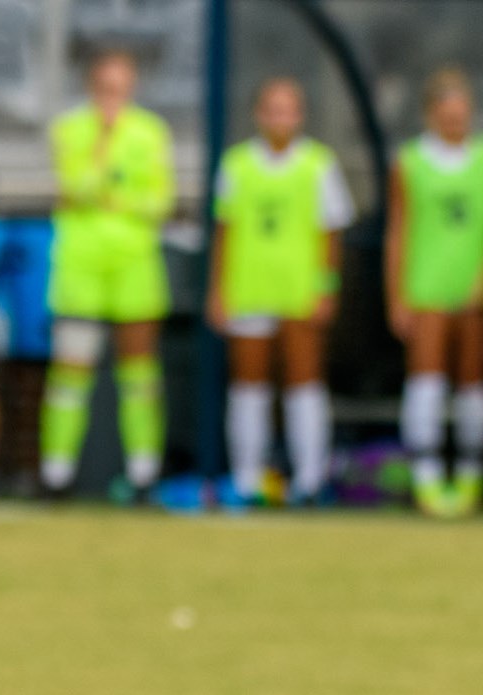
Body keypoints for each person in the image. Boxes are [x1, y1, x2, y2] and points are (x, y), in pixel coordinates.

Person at [207, 77, 353, 508]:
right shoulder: (236, 164)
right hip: (248, 290)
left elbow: (330, 235)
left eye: (288, 109)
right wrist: (218, 290)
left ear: (300, 115)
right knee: (249, 387)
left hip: (298, 292)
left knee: (303, 384)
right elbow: (224, 232)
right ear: (258, 114)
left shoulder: (319, 164)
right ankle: (247, 480)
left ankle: (309, 480)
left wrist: (326, 289)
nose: (280, 117)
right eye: (272, 108)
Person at [41, 49, 173, 501]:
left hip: (134, 265)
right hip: (81, 268)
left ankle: (143, 474)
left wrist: (120, 201)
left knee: (138, 374)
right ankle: (56, 474)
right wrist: (102, 143)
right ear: (91, 86)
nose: (113, 97)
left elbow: (159, 201)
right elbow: (74, 187)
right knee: (70, 376)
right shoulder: (71, 130)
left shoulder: (152, 132)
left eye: (121, 87)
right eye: (105, 87)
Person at [386, 67, 483, 517]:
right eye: (446, 116)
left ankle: (468, 478)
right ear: (430, 115)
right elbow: (399, 231)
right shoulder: (409, 162)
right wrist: (397, 294)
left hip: (474, 288)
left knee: (471, 385)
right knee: (425, 382)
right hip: (425, 286)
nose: (454, 124)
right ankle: (426, 481)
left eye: (461, 117)